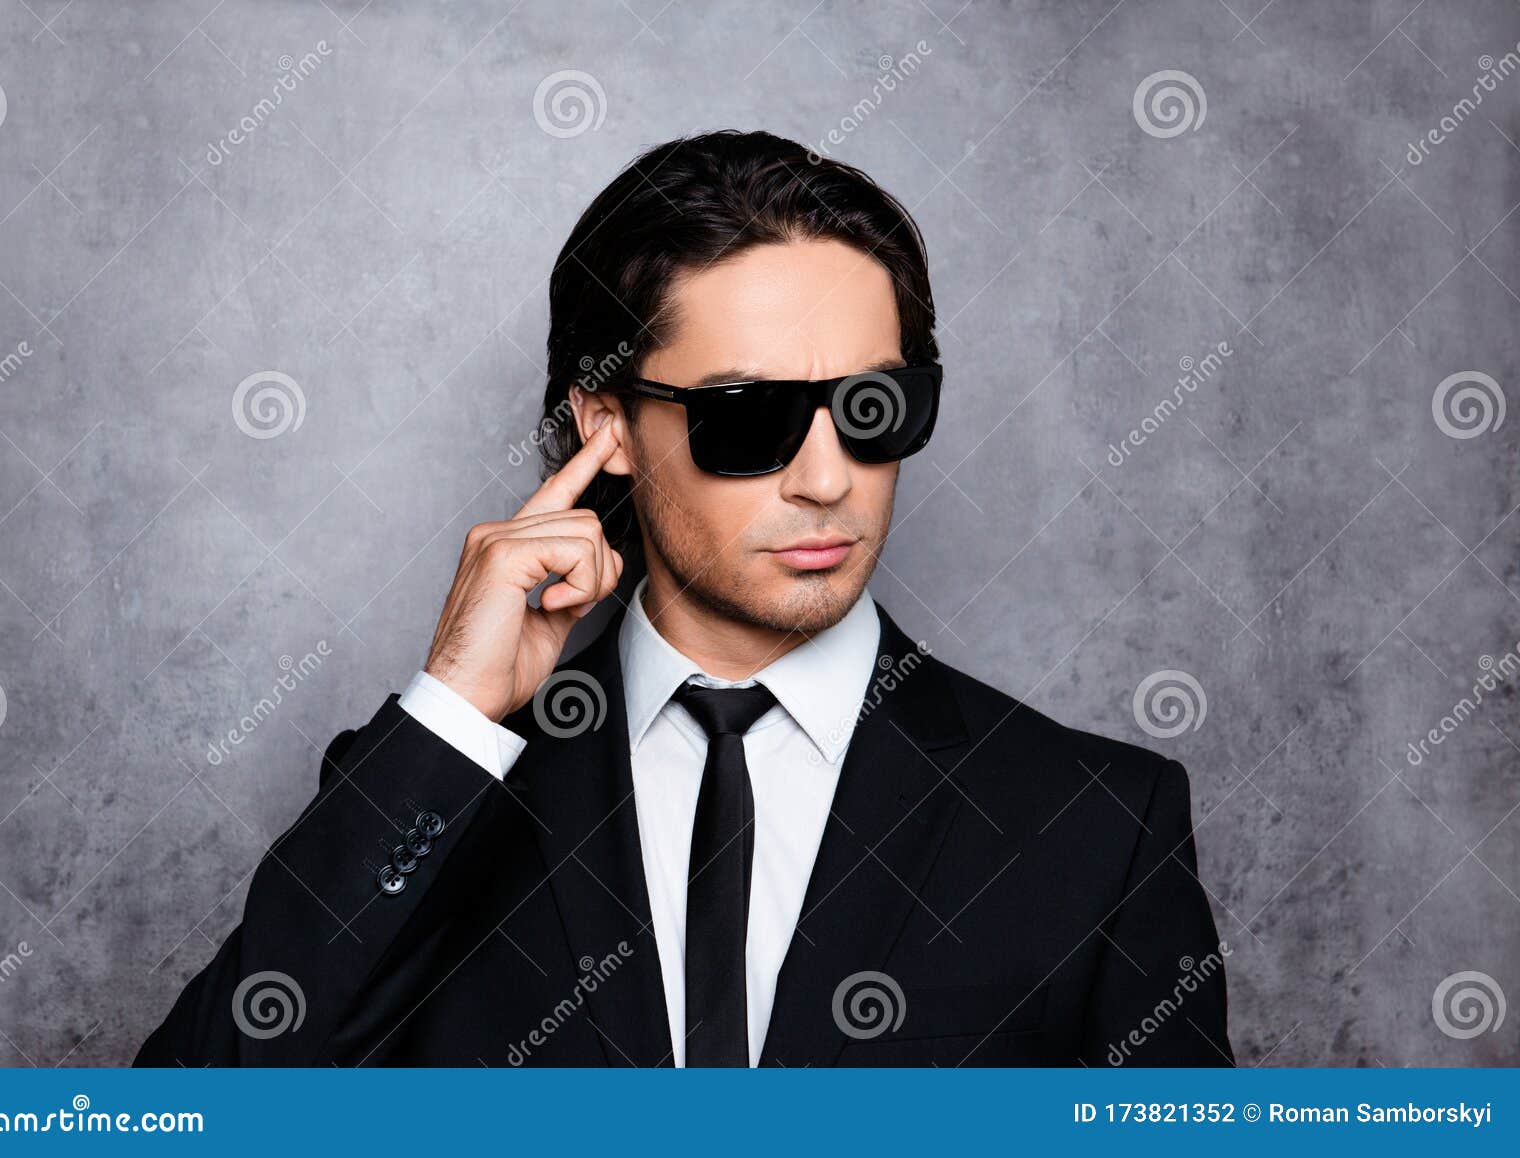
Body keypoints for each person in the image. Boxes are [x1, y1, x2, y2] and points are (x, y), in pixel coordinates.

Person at [137, 129, 1232, 1067]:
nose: (824, 478)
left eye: (872, 407)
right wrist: (457, 712)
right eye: (748, 418)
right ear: (606, 425)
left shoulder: (1093, 825)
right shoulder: (440, 801)